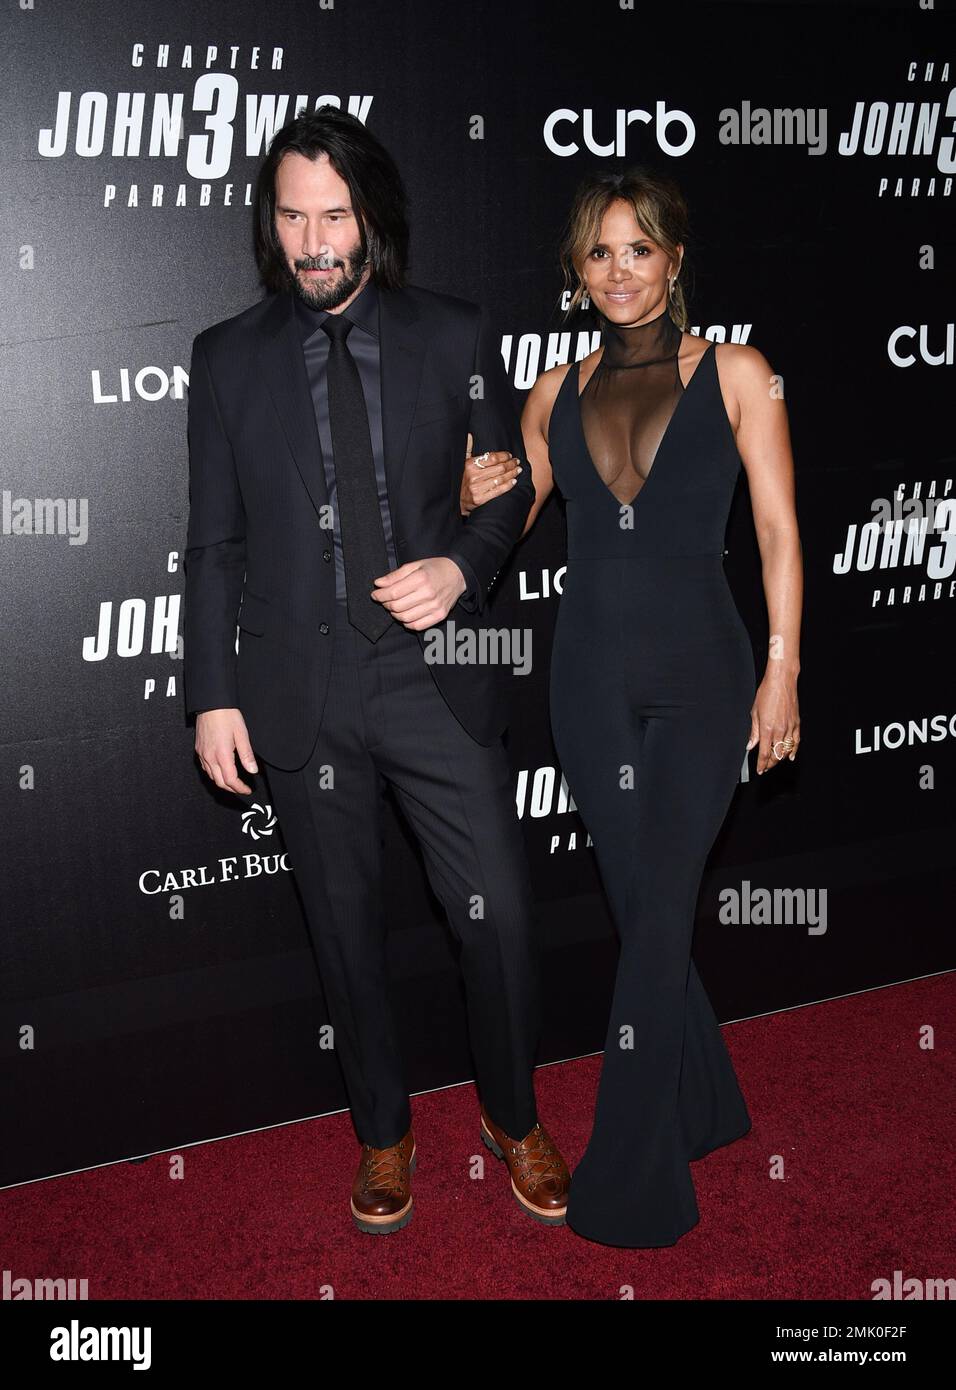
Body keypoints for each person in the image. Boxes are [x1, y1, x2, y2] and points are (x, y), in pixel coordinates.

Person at [183, 107, 570, 1235]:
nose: (312, 241)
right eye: (292, 217)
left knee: (494, 922)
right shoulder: (224, 358)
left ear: (372, 219)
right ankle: (384, 1134)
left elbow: (503, 489)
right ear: (271, 223)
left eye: (334, 216)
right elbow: (213, 540)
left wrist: (458, 567)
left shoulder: (452, 333)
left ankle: (511, 1114)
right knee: (343, 931)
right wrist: (210, 689)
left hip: (432, 674)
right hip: (299, 692)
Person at [461, 168, 802, 1247]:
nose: (618, 271)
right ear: (576, 272)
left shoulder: (740, 373)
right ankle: (703, 1100)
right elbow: (502, 540)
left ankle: (630, 1172)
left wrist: (781, 669)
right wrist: (475, 504)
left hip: (704, 679)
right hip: (588, 688)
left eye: (638, 249)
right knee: (643, 911)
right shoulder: (551, 396)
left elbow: (780, 537)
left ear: (673, 261)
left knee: (655, 922)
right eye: (599, 252)